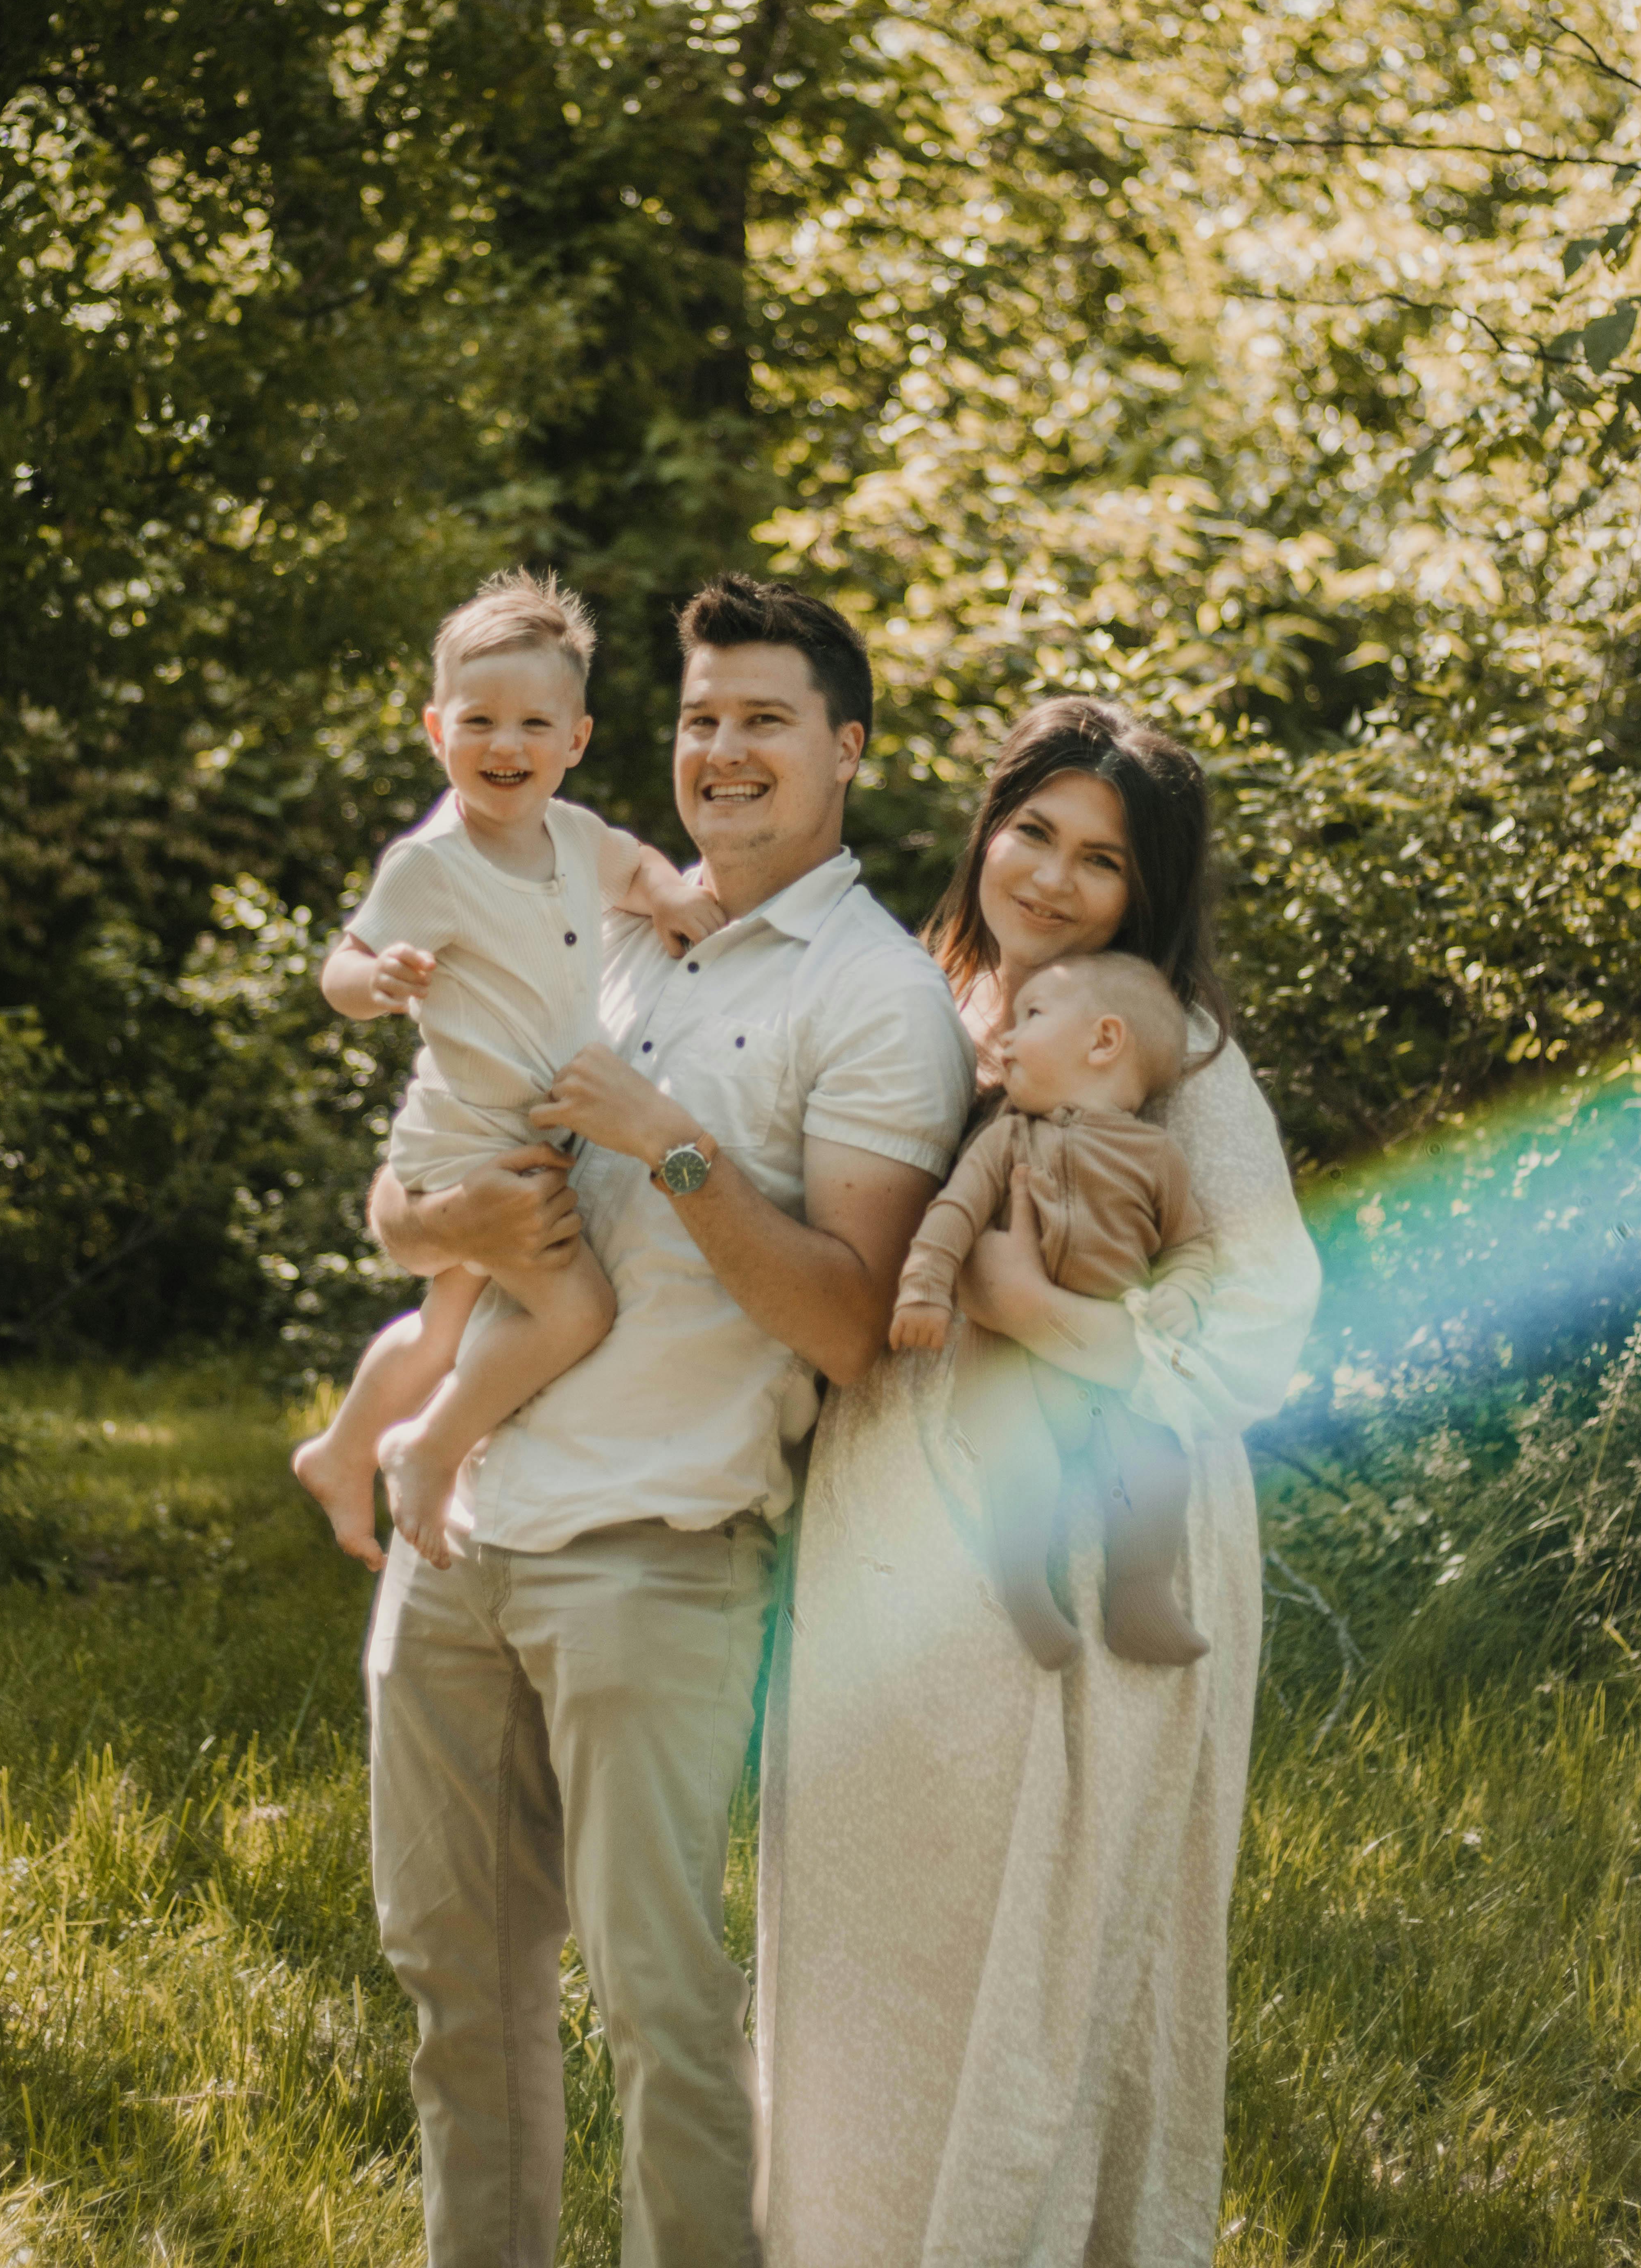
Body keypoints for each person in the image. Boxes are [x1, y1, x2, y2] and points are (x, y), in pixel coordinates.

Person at [363, 574, 977, 2268]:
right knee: (454, 1989)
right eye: (702, 718)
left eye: (766, 718)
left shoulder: (874, 997)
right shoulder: (597, 914)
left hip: (654, 1553)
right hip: (462, 1528)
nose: (724, 750)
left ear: (848, 748)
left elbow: (855, 1329)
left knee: (659, 2007)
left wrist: (671, 1144)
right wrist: (441, 1223)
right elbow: (410, 1194)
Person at [759, 697, 1322, 2268]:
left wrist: (1045, 1317)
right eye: (1035, 832)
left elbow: (1264, 1315)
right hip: (890, 1517)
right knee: (880, 1933)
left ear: (1150, 894)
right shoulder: (914, 999)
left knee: (1043, 1947)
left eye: (1103, 860)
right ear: (985, 830)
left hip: (1095, 1520)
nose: (1055, 879)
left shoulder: (1170, 1051)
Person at [294, 566, 722, 1569]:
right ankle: (429, 1448)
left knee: (444, 1328)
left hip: (519, 1130)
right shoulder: (432, 866)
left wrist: (668, 896)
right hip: (470, 1138)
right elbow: (339, 969)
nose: (505, 746)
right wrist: (378, 980)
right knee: (577, 1309)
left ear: (575, 740)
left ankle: (340, 1449)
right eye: (479, 722)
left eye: (534, 725)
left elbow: (636, 866)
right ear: (436, 731)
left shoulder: (573, 836)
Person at [890, 948, 1214, 1670]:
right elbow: (952, 1214)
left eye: (1031, 1016)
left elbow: (1192, 1245)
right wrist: (924, 1287)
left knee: (1157, 1465)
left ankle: (1140, 1599)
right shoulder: (1007, 1139)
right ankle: (1024, 1587)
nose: (1005, 1038)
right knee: (1023, 1469)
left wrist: (1183, 1293)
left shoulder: (1157, 1157)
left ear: (1104, 1041)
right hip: (1009, 1366)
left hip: (1103, 1372)